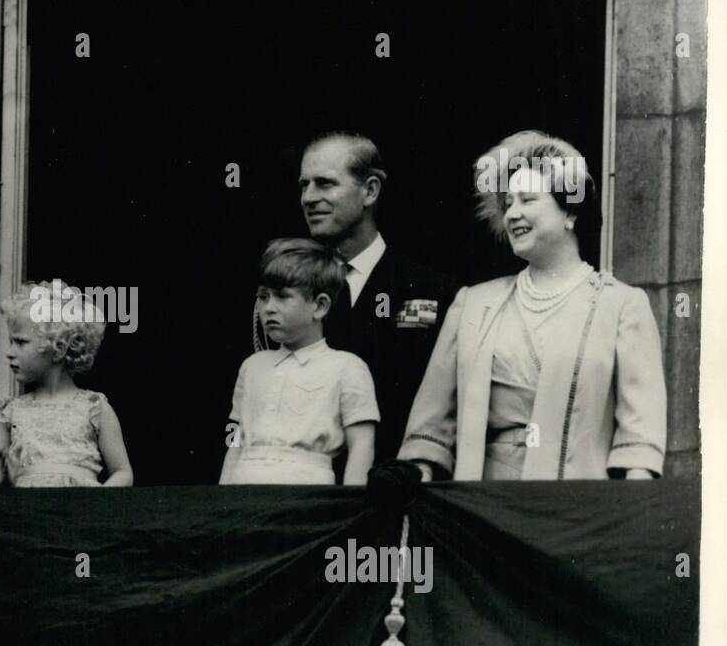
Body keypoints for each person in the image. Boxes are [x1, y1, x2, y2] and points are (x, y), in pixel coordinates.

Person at [398, 130, 666, 480]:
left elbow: (639, 439)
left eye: (527, 200)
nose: (512, 214)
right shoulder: (472, 305)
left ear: (570, 211)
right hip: (482, 503)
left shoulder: (621, 305)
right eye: (508, 204)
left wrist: (631, 500)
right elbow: (429, 430)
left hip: (574, 506)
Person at [298, 132, 456, 465]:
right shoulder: (290, 288)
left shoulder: (431, 290)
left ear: (370, 190)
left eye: (325, 183)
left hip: (393, 482)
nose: (309, 197)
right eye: (304, 185)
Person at [221, 239, 379, 486]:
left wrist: (353, 502)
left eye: (282, 296)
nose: (269, 308)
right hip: (244, 490)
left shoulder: (347, 367)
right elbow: (235, 439)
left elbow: (361, 445)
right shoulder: (252, 366)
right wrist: (222, 494)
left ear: (320, 306)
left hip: (307, 492)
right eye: (263, 297)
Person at [0, 280, 133, 487]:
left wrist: (99, 499)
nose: (9, 352)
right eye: (11, 342)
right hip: (27, 506)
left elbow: (123, 472)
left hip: (80, 505)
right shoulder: (9, 413)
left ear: (59, 348)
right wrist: (4, 475)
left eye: (20, 342)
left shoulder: (94, 408)